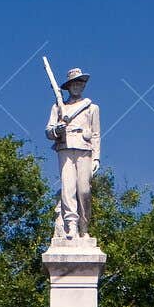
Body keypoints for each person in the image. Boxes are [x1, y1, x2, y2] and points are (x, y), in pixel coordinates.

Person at [46, 67, 100, 240]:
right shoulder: (58, 107)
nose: (77, 86)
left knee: (84, 190)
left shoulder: (92, 107)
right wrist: (57, 129)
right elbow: (48, 131)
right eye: (74, 83)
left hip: (85, 149)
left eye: (80, 83)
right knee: (68, 188)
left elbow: (96, 134)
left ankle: (84, 225)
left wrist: (96, 157)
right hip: (65, 147)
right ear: (68, 87)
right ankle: (71, 225)